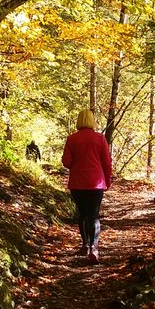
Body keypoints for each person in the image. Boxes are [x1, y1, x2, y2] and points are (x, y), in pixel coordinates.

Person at [61, 109, 113, 263]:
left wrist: (77, 165)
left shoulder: (72, 139)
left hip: (77, 183)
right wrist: (107, 181)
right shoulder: (100, 138)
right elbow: (106, 162)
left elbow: (66, 162)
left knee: (82, 214)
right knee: (94, 215)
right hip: (96, 183)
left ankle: (84, 244)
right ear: (92, 121)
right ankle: (94, 248)